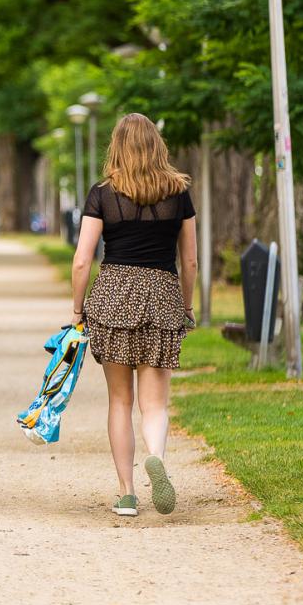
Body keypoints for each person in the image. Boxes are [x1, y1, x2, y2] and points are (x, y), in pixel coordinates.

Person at [69, 113, 197, 517]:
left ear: (116, 146)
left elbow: (81, 261)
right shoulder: (178, 193)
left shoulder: (103, 194)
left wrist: (78, 310)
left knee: (119, 402)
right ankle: (155, 456)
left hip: (113, 296)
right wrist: (187, 306)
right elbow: (189, 261)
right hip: (161, 294)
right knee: (155, 404)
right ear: (157, 145)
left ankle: (126, 493)